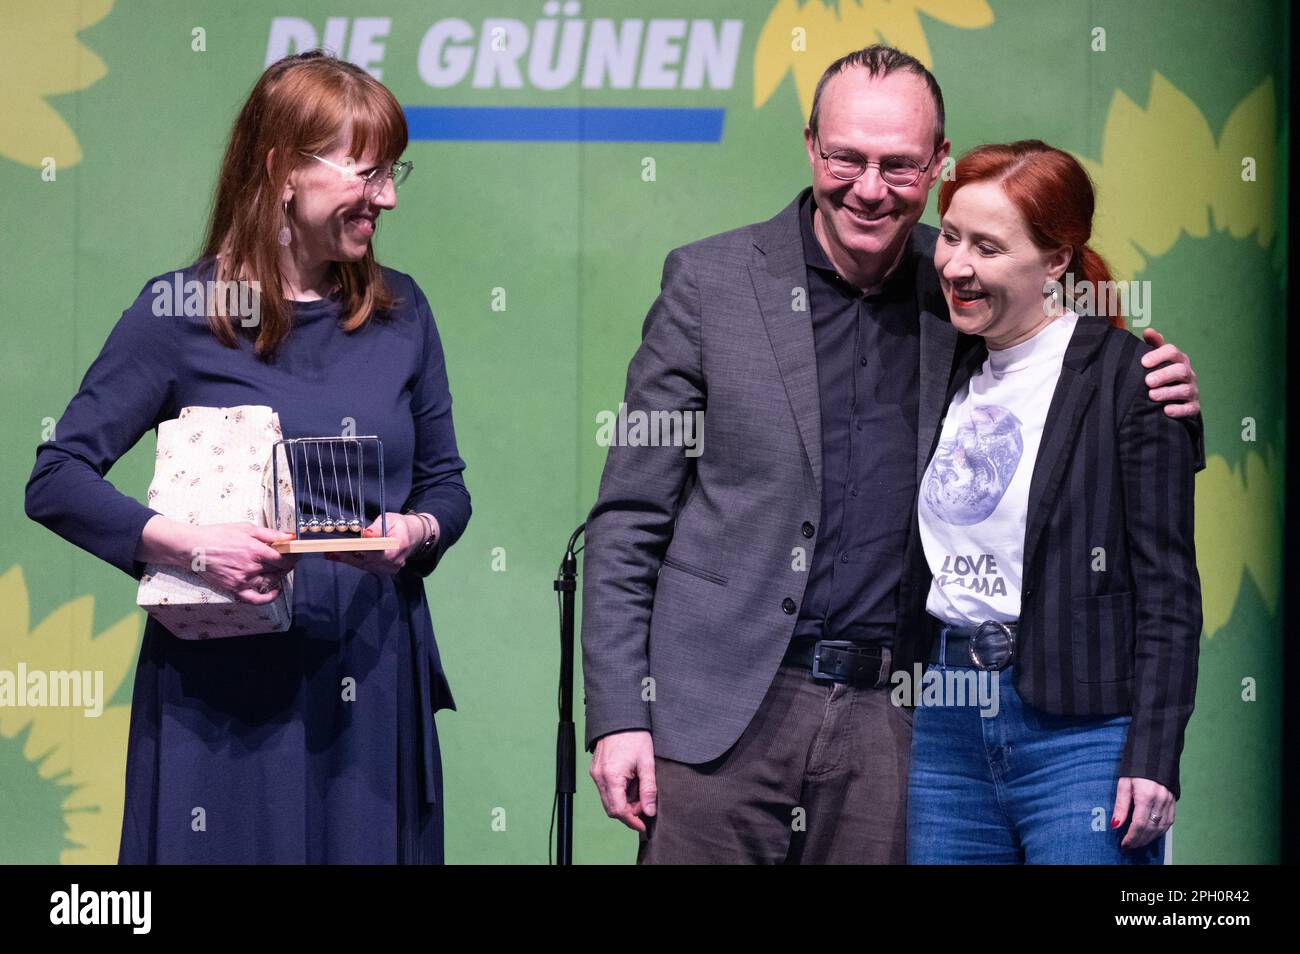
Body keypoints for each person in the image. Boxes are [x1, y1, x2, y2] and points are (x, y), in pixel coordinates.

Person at [581, 45, 1203, 864]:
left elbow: (1070, 389)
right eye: (847, 157)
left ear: (938, 165)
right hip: (719, 718)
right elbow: (629, 519)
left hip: (898, 723)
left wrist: (1171, 410)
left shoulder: (964, 284)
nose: (869, 188)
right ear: (811, 146)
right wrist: (622, 711)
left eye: (900, 166)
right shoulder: (709, 283)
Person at [24, 50, 471, 863]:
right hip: (222, 705)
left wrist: (418, 535)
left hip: (368, 685)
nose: (389, 197)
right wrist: (192, 547)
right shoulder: (180, 314)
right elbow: (57, 479)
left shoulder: (403, 314)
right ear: (283, 171)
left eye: (393, 172)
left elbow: (446, 486)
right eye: (367, 174)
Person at [901, 140, 1201, 864]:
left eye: (989, 247)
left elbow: (1169, 592)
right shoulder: (945, 359)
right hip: (942, 723)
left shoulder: (1131, 380)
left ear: (1057, 261)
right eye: (950, 236)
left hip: (1083, 735)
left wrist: (1154, 755)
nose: (957, 265)